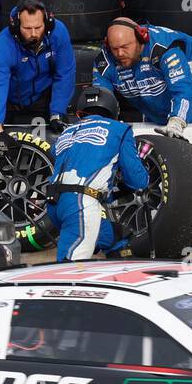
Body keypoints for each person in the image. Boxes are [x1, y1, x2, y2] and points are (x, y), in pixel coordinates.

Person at [44, 86, 148, 261]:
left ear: (80, 111)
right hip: (79, 204)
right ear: (113, 109)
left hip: (54, 204)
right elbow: (138, 181)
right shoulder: (119, 129)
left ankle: (119, 283)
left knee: (116, 238)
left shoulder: (65, 133)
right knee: (70, 270)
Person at [94, 17, 192, 137]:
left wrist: (177, 121)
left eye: (125, 47)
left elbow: (183, 88)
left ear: (141, 38)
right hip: (159, 114)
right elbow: (100, 101)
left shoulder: (164, 48)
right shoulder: (104, 62)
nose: (119, 54)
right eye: (115, 48)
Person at [0, 0, 77, 136]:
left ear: (47, 23)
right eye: (27, 28)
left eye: (38, 27)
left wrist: (57, 113)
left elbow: (65, 73)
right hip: (12, 103)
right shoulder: (3, 43)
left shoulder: (58, 32)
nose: (33, 34)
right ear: (16, 26)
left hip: (44, 98)